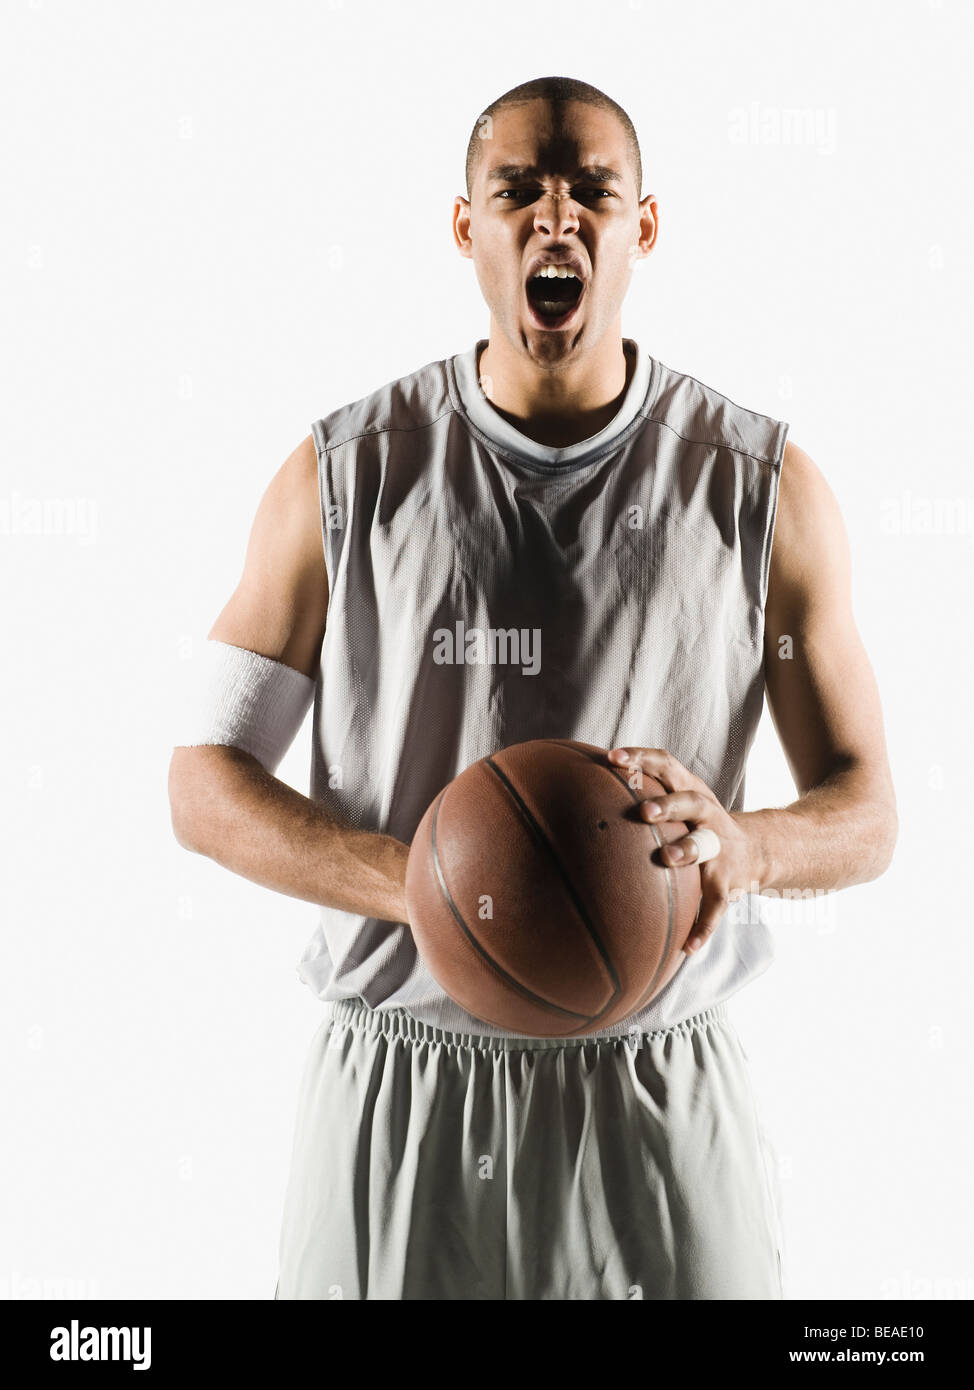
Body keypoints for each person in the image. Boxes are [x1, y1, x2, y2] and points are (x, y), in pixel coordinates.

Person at [168, 75, 898, 1300]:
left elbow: (868, 807)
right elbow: (200, 781)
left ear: (640, 231)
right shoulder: (343, 476)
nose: (554, 216)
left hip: (653, 1078)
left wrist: (746, 847)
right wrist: (421, 887)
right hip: (402, 1077)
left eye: (590, 192)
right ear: (468, 229)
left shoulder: (761, 491)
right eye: (517, 190)